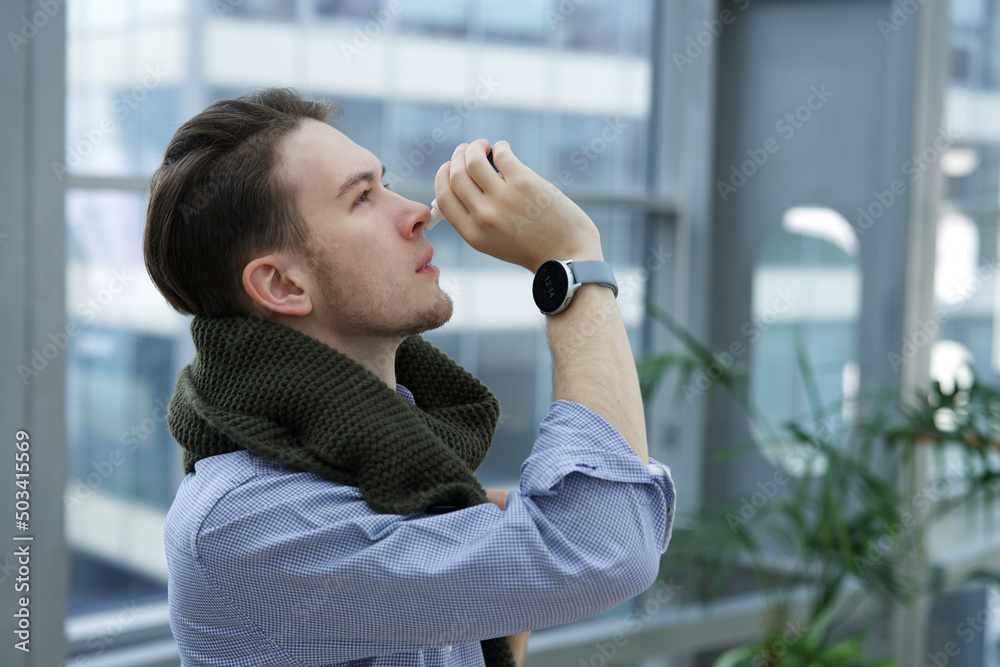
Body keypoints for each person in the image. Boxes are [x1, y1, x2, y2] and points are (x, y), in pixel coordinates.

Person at [146, 88, 675, 667]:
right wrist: (573, 266)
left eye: (385, 182)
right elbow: (603, 547)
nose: (416, 211)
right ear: (283, 286)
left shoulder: (400, 467)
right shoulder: (246, 527)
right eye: (363, 198)